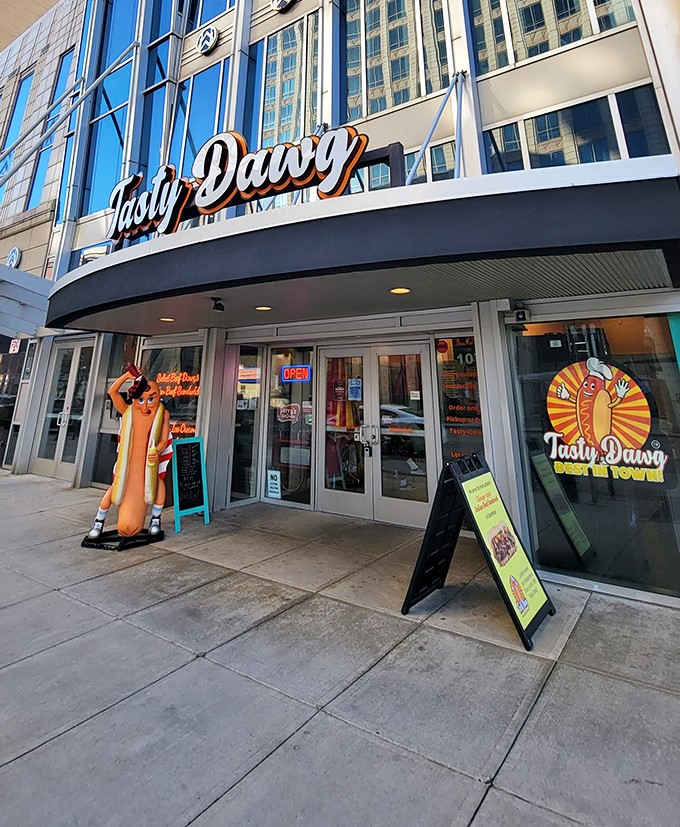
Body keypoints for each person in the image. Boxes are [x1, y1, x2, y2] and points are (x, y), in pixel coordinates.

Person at [88, 367, 172, 539]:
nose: (146, 404)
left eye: (151, 399)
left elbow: (164, 438)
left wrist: (158, 449)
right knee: (116, 488)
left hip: (149, 463)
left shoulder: (162, 414)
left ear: (158, 397)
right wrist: (127, 375)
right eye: (141, 400)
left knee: (158, 482)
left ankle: (155, 518)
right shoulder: (128, 411)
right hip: (128, 462)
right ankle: (99, 521)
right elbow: (113, 392)